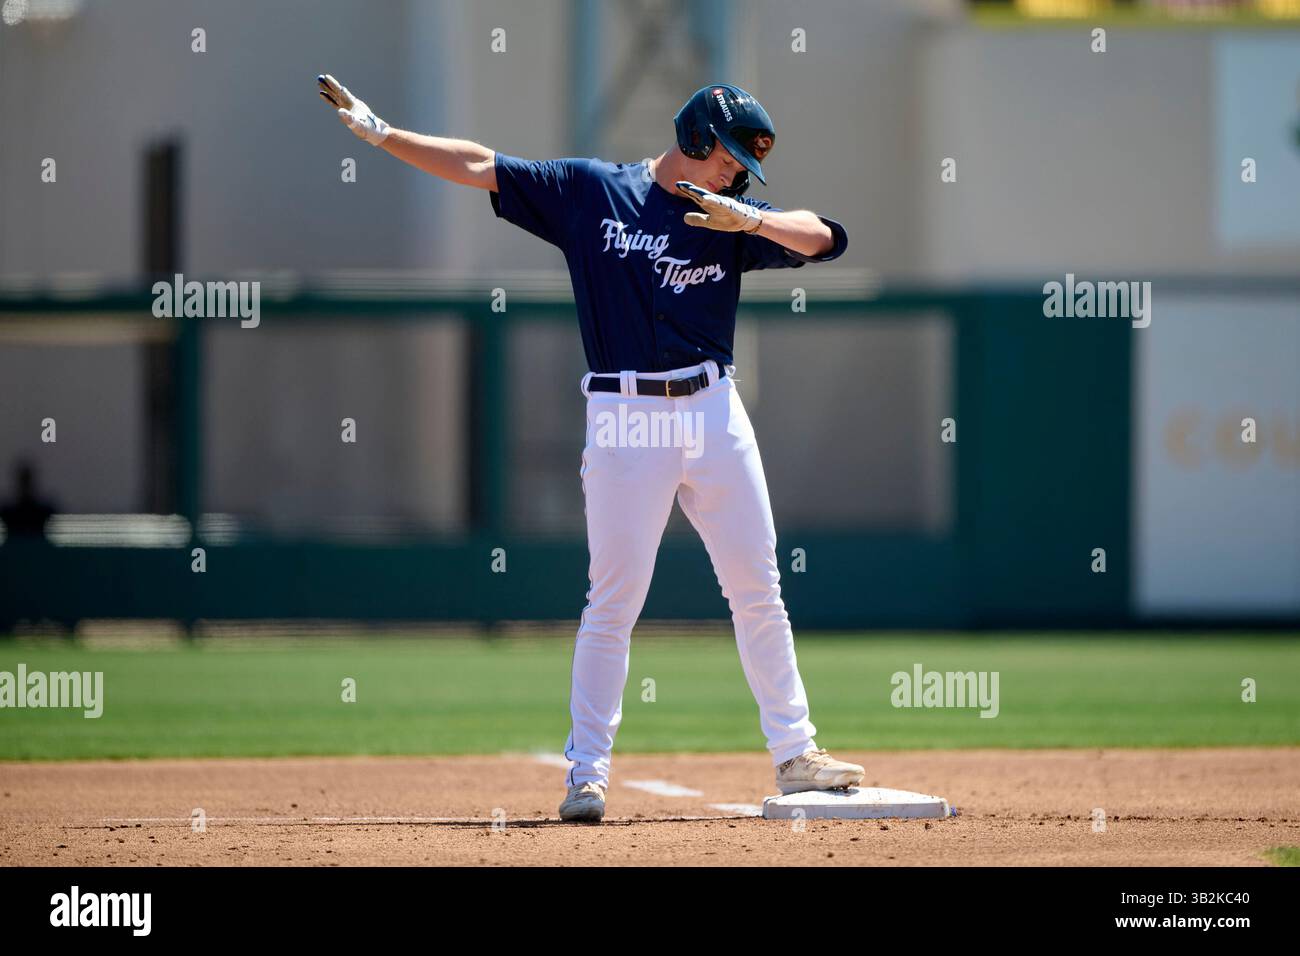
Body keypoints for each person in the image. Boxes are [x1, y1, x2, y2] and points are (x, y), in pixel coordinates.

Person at [317, 75, 865, 823]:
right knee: (613, 603)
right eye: (729, 156)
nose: (736, 172)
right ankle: (587, 774)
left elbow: (827, 236)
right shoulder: (592, 191)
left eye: (743, 166)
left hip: (713, 407)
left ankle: (797, 754)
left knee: (758, 589)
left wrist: (750, 221)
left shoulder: (729, 215)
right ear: (697, 138)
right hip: (624, 413)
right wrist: (385, 135)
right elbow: (484, 166)